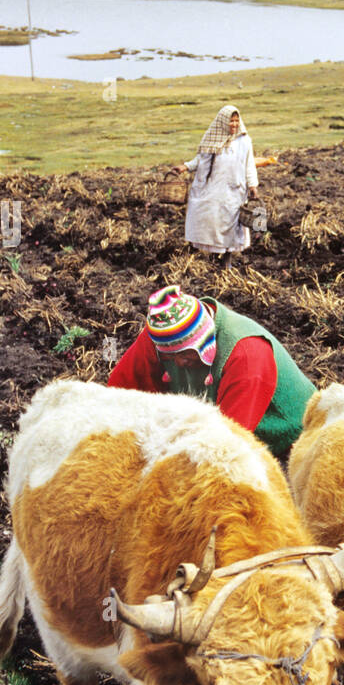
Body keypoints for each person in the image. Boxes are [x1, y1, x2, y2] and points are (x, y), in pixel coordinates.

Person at [108, 286, 316, 459]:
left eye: (187, 354)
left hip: (286, 441)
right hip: (211, 427)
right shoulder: (161, 335)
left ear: (205, 339)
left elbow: (227, 444)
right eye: (170, 357)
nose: (179, 362)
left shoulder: (246, 355)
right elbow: (118, 394)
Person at [173, 104, 258, 268]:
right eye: (230, 121)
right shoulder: (213, 138)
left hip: (235, 189)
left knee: (232, 224)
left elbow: (249, 165)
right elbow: (201, 159)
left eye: (236, 121)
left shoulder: (245, 141)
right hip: (214, 187)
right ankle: (206, 254)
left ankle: (227, 260)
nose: (233, 124)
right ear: (223, 122)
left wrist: (253, 185)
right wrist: (185, 166)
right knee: (211, 221)